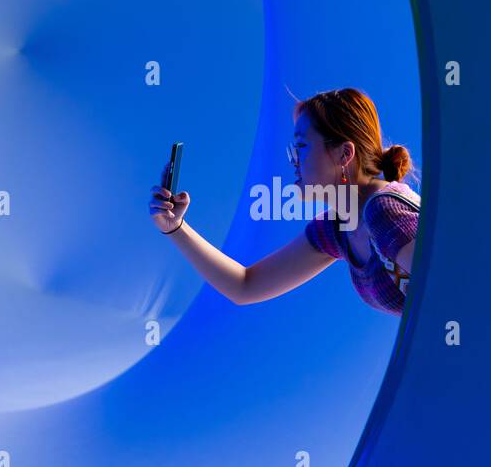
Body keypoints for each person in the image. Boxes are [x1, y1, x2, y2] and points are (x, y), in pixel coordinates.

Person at [148, 87, 421, 315]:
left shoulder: (383, 211)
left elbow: (441, 286)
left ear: (344, 154)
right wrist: (176, 228)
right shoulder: (340, 228)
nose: (293, 160)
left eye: (301, 146)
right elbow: (245, 286)